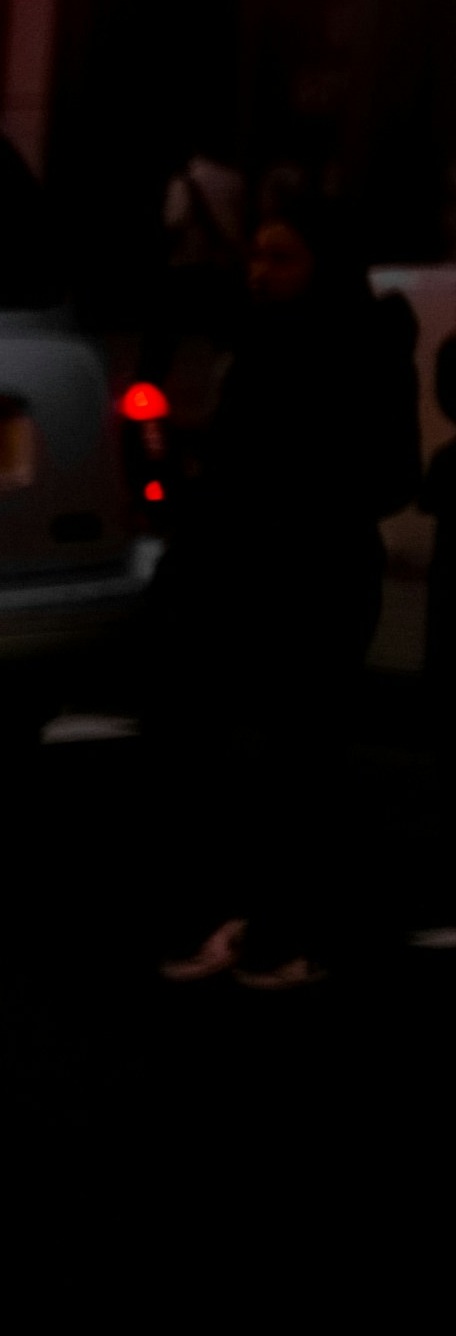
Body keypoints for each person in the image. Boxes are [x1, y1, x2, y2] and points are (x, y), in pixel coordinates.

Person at [155, 193, 420, 988]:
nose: (261, 273)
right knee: (228, 748)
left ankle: (301, 929)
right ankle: (244, 916)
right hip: (241, 569)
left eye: (282, 257)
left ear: (324, 265)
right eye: (257, 256)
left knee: (304, 755)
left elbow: (389, 474)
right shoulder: (257, 342)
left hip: (318, 572)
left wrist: (297, 495)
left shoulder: (366, 347)